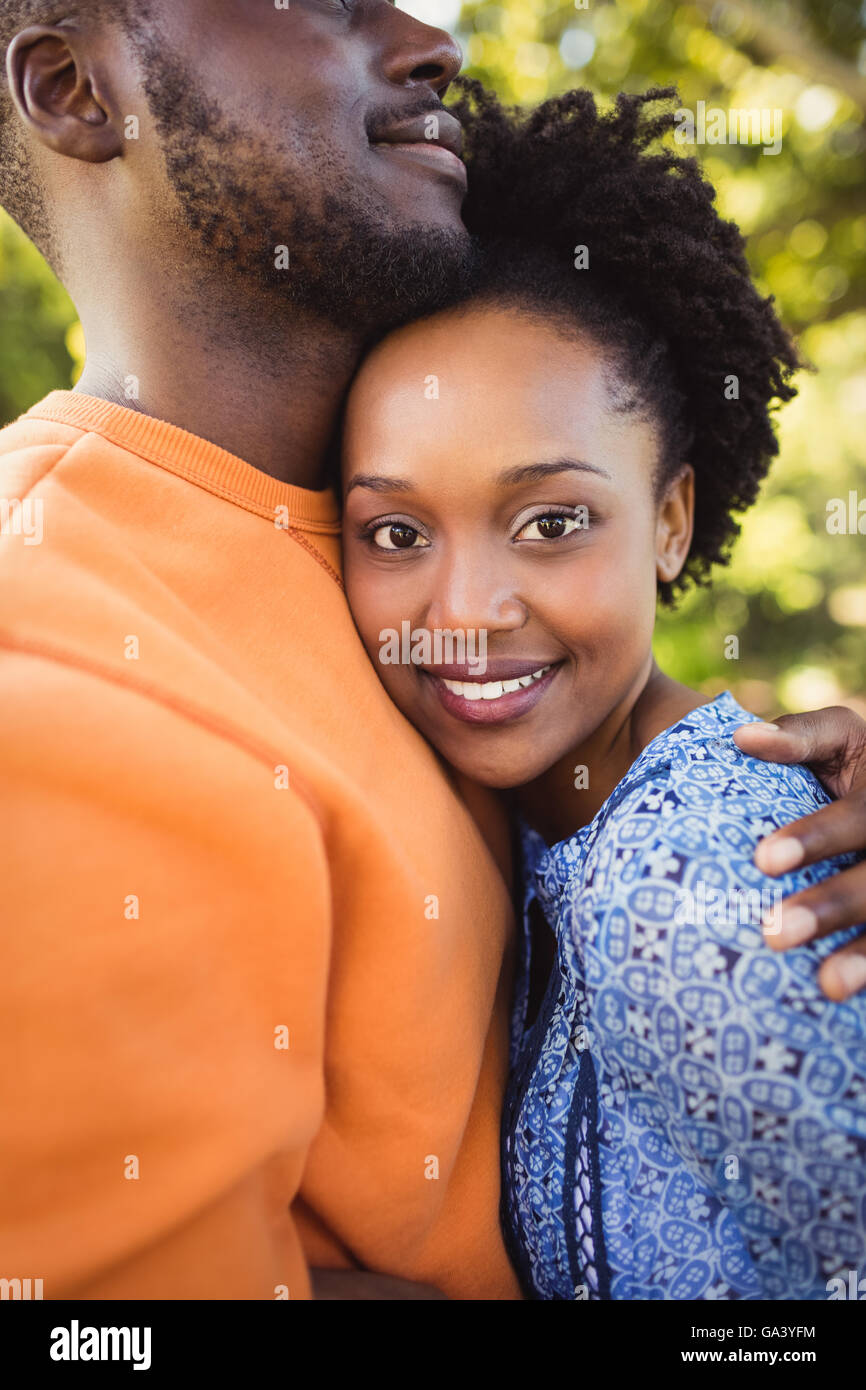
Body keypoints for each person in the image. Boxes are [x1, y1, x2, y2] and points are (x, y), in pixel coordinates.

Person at [0, 3, 863, 1301]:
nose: (429, 41)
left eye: (549, 518)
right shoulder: (52, 643)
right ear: (72, 86)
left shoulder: (397, 558)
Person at [340, 84, 866, 1299]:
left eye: (550, 520)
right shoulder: (551, 822)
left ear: (671, 520)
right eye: (396, 531)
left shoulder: (687, 882)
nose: (466, 612)